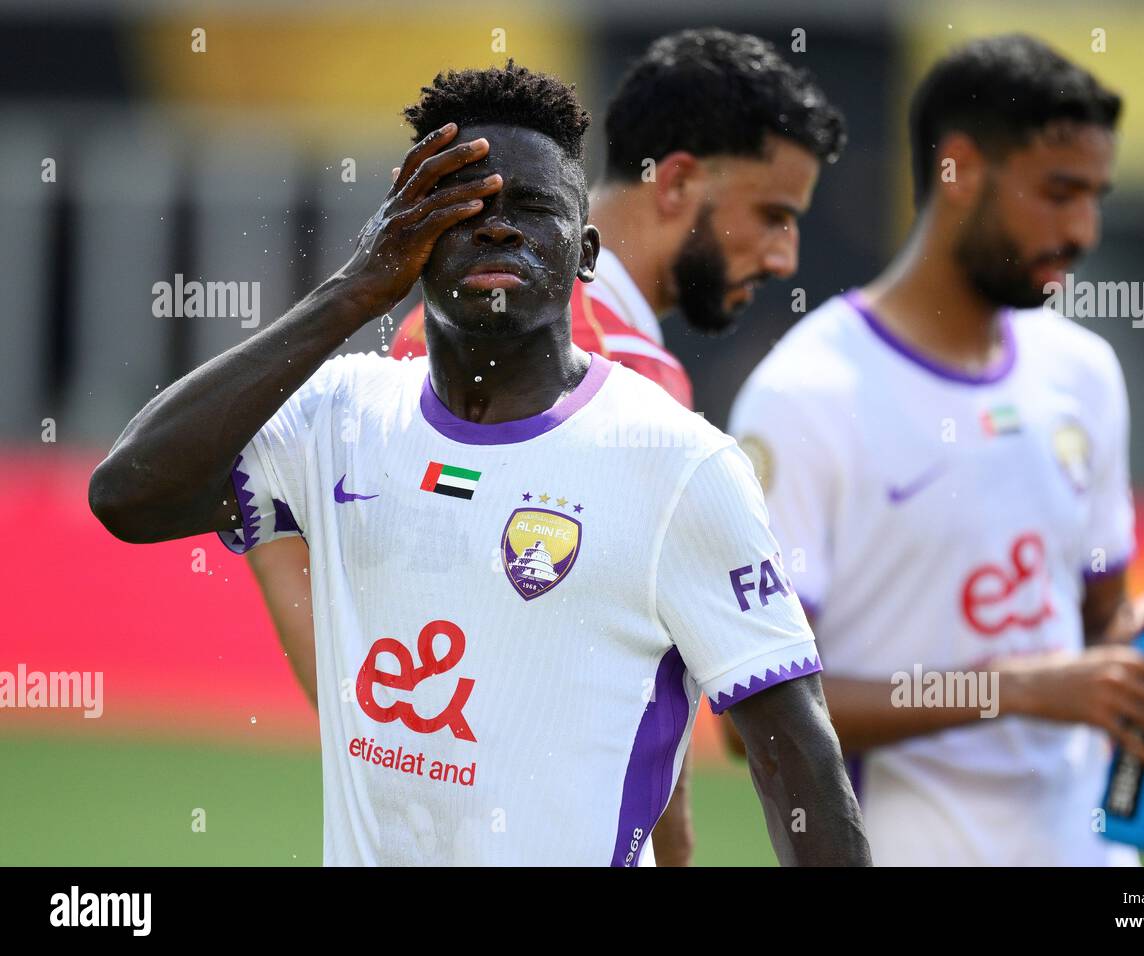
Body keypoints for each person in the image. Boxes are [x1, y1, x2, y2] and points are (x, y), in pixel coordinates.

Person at [90, 62, 869, 867]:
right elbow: (128, 496)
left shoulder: (681, 463)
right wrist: (354, 290)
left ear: (588, 252)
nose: (499, 229)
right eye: (463, 208)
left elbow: (795, 762)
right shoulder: (339, 415)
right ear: (405, 236)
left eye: (534, 209)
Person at [727, 34, 1144, 865]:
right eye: (1059, 192)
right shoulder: (807, 395)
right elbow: (761, 724)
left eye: (1096, 196)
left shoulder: (1086, 373)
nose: (1083, 229)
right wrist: (1016, 689)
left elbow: (1100, 624)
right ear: (959, 169)